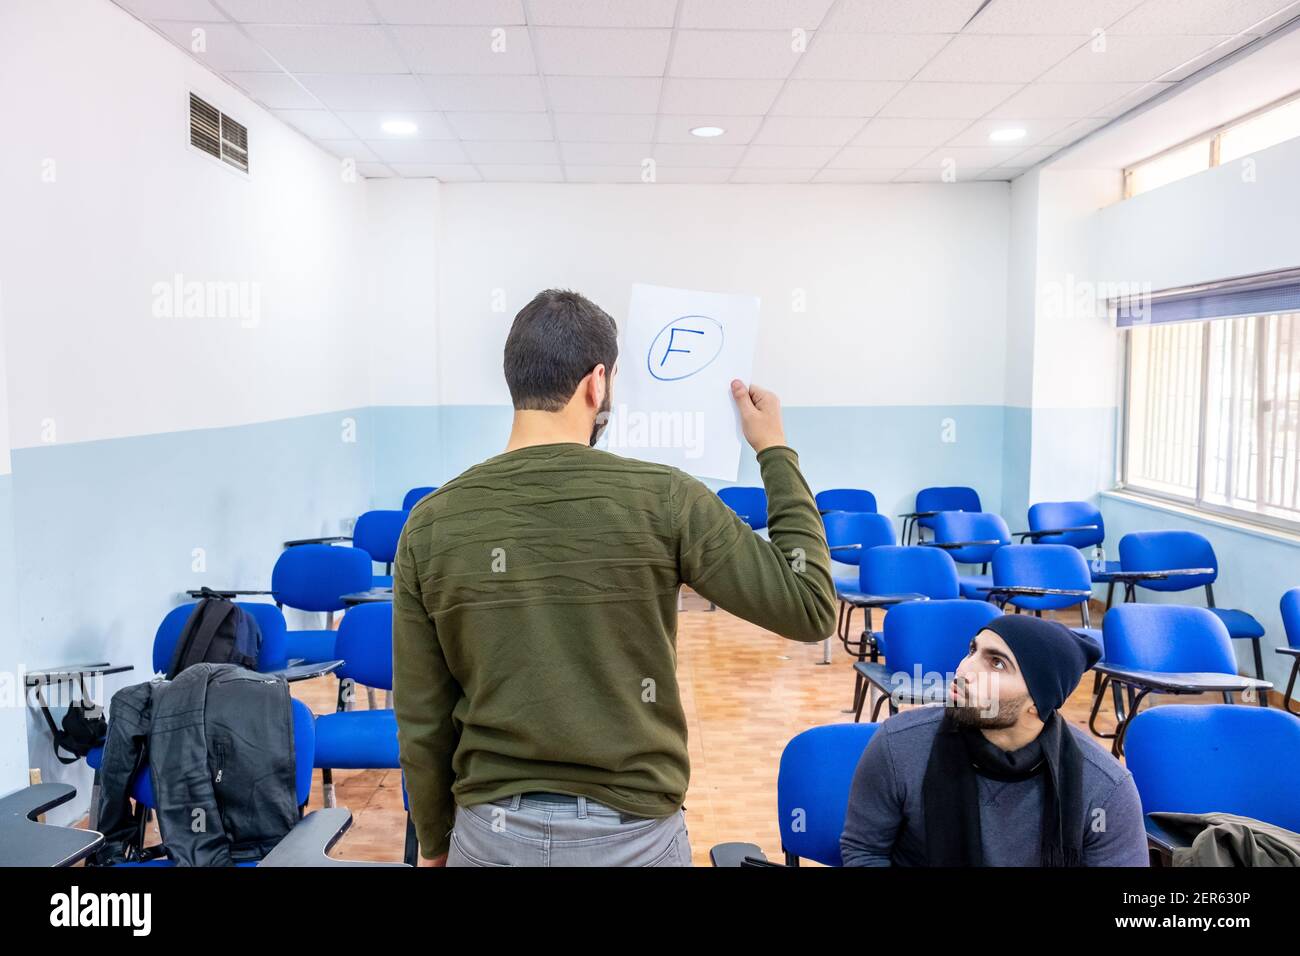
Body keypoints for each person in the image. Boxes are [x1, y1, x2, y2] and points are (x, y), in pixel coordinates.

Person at [393, 289, 837, 867]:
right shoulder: (667, 498)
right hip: (635, 838)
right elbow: (810, 605)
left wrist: (433, 843)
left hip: (491, 833)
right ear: (596, 383)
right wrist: (774, 448)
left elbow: (422, 715)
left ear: (515, 381)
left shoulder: (429, 524)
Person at [840, 614, 1149, 867]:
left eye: (997, 663)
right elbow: (864, 851)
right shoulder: (899, 745)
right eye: (972, 650)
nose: (964, 670)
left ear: (1037, 703)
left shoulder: (1105, 788)